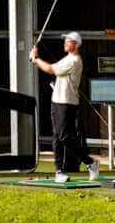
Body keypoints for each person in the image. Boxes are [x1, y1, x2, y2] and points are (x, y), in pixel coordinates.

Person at [29, 31, 98, 182]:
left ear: (77, 44)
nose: (65, 42)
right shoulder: (67, 58)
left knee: (64, 136)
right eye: (65, 40)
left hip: (67, 103)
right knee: (57, 137)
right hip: (57, 101)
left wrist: (35, 59)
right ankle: (59, 171)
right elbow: (54, 70)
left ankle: (90, 162)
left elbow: (50, 69)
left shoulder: (74, 61)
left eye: (69, 41)